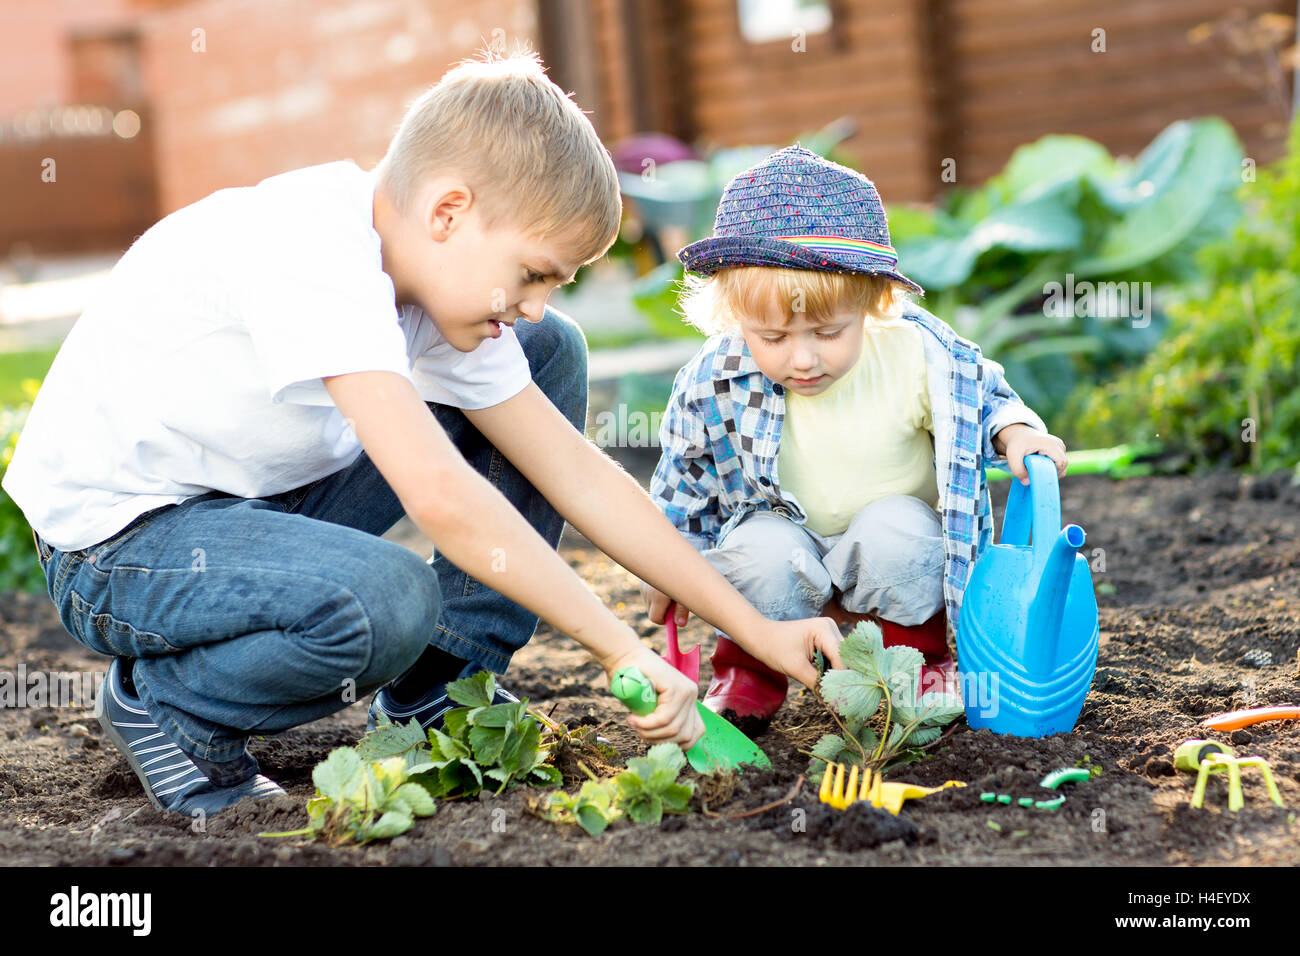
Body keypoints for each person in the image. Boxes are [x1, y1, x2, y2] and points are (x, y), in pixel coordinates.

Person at [3, 50, 843, 818]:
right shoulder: (315, 250)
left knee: (547, 354)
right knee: (387, 602)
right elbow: (442, 499)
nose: (535, 300)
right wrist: (624, 652)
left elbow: (577, 475)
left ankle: (442, 688)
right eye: (533, 272)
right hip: (120, 552)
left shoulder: (431, 276)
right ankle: (172, 704)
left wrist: (754, 627)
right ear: (449, 211)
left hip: (248, 510)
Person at [640, 144, 1069, 736]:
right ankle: (747, 677)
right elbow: (685, 479)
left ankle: (916, 667)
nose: (803, 357)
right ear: (734, 317)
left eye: (828, 331)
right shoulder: (714, 376)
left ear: (873, 300)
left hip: (889, 550)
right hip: (787, 543)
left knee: (902, 529)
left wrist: (1017, 432)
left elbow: (986, 397)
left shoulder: (919, 354)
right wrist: (669, 563)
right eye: (773, 337)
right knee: (752, 552)